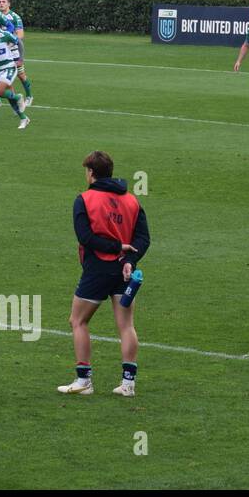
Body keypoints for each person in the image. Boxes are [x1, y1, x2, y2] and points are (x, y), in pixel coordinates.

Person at [58, 151, 150, 397]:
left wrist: (114, 247)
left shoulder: (85, 199)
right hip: (125, 271)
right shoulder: (132, 200)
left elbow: (85, 238)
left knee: (78, 321)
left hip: (97, 269)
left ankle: (84, 380)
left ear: (91, 173)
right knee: (126, 325)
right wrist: (129, 258)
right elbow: (143, 238)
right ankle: (128, 384)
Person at [0, 0, 33, 104]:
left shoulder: (15, 17)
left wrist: (9, 40)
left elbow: (20, 35)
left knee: (21, 75)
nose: (1, 4)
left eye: (3, 2)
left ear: (9, 4)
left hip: (13, 51)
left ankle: (29, 96)